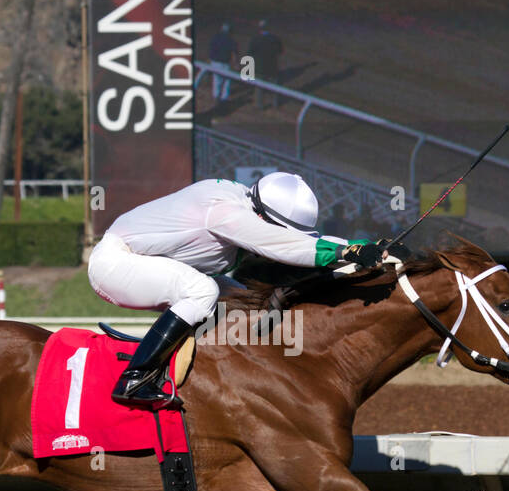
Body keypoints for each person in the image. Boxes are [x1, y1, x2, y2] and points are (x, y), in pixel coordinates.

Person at [88, 173, 384, 407]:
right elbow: (285, 245)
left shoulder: (251, 203)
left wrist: (371, 250)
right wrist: (348, 251)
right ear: (262, 217)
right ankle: (135, 379)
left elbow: (306, 240)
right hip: (115, 263)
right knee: (202, 291)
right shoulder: (226, 211)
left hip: (143, 261)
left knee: (241, 298)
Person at [247, 19, 284, 108]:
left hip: (260, 67)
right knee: (274, 87)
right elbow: (280, 51)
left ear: (260, 29)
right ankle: (275, 104)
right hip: (272, 66)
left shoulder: (255, 39)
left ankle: (259, 105)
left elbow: (250, 53)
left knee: (259, 88)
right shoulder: (275, 39)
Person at [207, 22, 237, 104]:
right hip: (226, 63)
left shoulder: (215, 38)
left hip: (216, 62)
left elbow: (211, 51)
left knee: (217, 80)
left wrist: (209, 60)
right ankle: (224, 98)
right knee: (226, 81)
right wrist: (235, 64)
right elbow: (233, 53)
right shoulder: (231, 40)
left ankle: (216, 97)